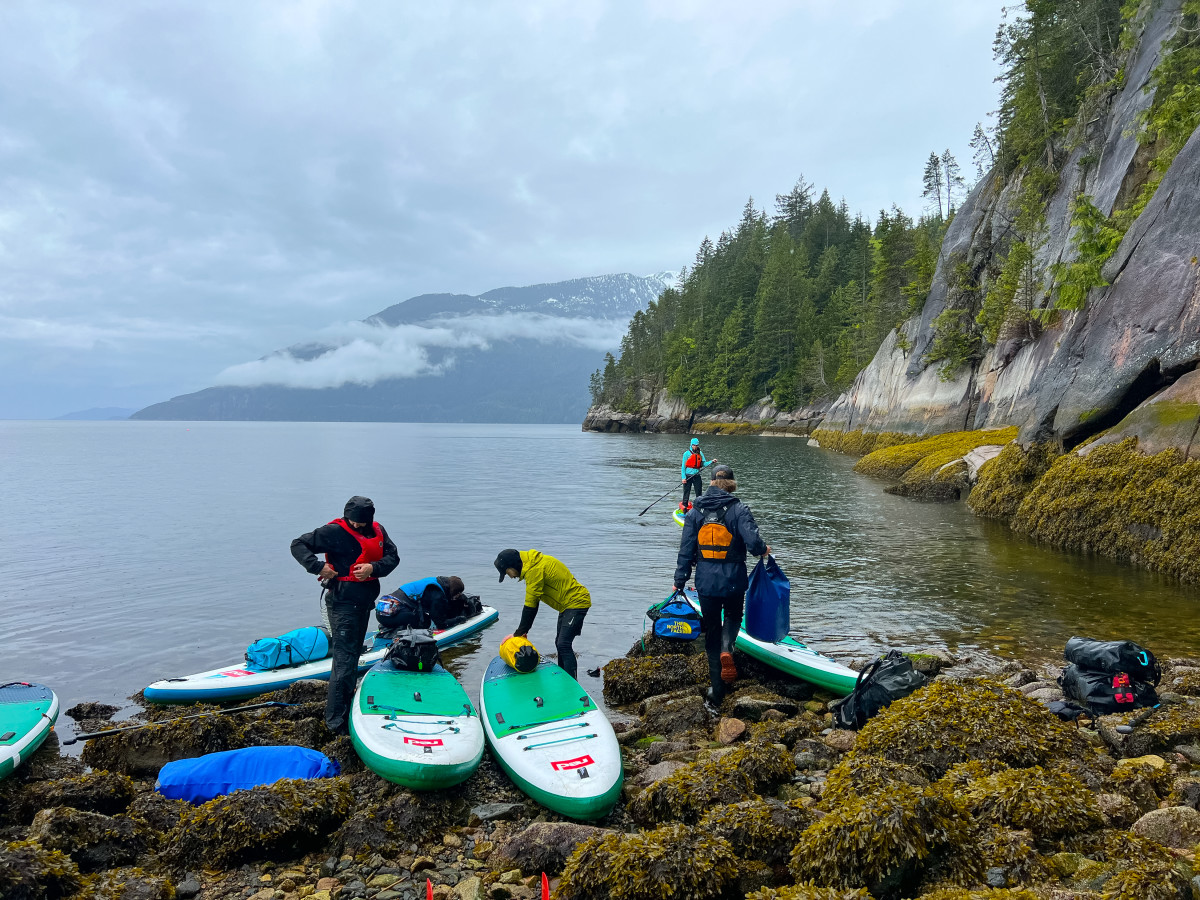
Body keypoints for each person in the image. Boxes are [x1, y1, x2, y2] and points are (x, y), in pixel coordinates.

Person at [290, 496, 399, 734]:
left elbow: (393, 557)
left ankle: (346, 707)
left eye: (361, 522)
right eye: (352, 521)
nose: (357, 525)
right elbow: (298, 544)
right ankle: (335, 724)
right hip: (342, 605)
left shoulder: (378, 530)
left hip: (364, 603)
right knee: (344, 660)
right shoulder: (333, 532)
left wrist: (374, 568)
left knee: (352, 657)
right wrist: (318, 567)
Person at [673, 465, 770, 714]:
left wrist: (680, 580)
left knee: (712, 628)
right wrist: (763, 550)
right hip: (734, 577)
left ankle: (716, 691)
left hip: (705, 580)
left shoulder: (696, 511)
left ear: (712, 482)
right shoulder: (739, 509)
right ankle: (728, 648)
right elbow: (753, 542)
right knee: (735, 616)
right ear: (732, 483)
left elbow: (685, 549)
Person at [494, 548, 591, 679]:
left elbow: (531, 605)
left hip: (577, 602)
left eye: (507, 573)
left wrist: (518, 633)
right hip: (567, 605)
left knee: (564, 644)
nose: (510, 576)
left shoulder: (534, 570)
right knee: (559, 643)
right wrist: (523, 631)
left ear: (512, 565)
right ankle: (564, 678)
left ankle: (573, 684)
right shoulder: (533, 565)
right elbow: (533, 604)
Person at [388, 575, 469, 630]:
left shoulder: (434, 581)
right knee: (426, 622)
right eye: (458, 594)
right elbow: (441, 624)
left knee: (419, 614)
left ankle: (393, 626)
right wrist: (458, 620)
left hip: (384, 608)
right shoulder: (438, 596)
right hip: (391, 615)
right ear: (455, 591)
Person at [680, 437, 712, 512]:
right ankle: (685, 507)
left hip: (697, 476)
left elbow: (704, 464)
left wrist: (711, 462)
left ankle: (699, 507)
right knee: (686, 492)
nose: (695, 447)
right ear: (691, 445)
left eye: (697, 445)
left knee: (699, 492)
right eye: (694, 445)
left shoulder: (700, 453)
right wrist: (683, 478)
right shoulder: (686, 454)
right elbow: (683, 467)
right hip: (688, 476)